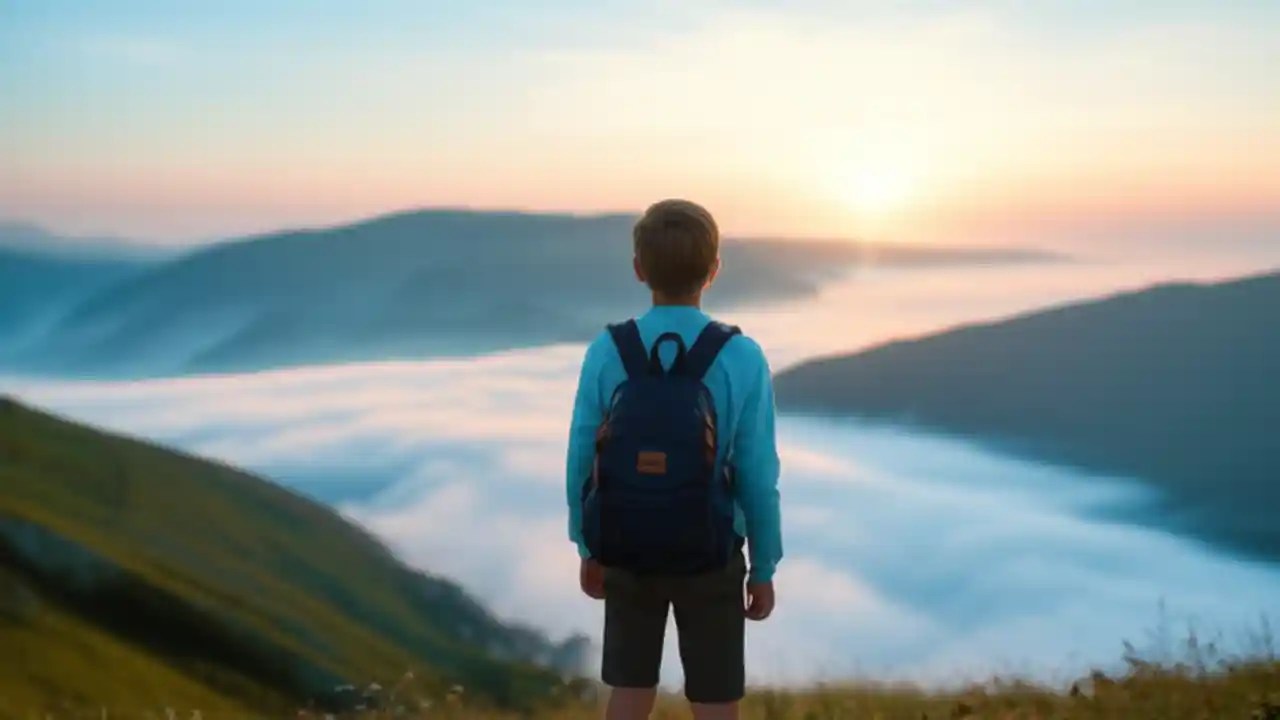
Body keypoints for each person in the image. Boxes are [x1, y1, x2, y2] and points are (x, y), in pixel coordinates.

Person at [565, 199, 784, 720]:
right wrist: (764, 564)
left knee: (630, 689)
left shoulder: (607, 350)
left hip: (626, 543)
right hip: (711, 550)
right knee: (715, 699)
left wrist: (587, 544)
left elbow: (580, 456)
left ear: (639, 270)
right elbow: (757, 473)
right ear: (714, 269)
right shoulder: (742, 356)